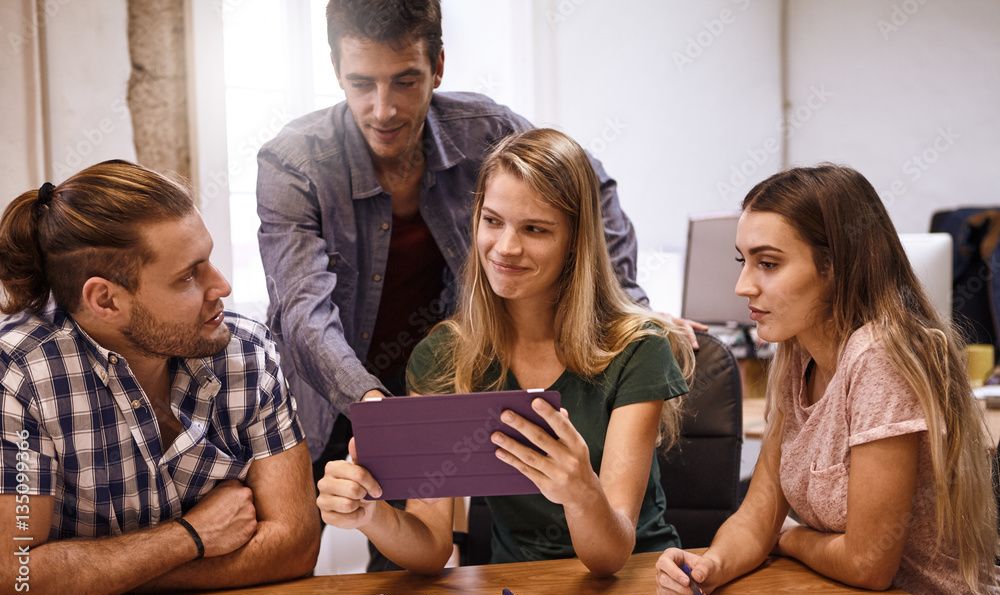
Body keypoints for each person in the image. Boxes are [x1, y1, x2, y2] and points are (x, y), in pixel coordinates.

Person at [256, 0, 704, 492]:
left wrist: (627, 310)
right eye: (363, 83)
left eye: (405, 81)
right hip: (329, 393)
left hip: (448, 380)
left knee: (412, 557)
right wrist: (372, 404)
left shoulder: (486, 130)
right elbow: (301, 310)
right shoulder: (293, 162)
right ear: (337, 71)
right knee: (300, 547)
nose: (383, 109)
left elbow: (587, 191)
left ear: (438, 68)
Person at [316, 128, 694, 577]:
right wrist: (371, 516)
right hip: (516, 593)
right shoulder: (444, 355)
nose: (506, 247)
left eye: (535, 229)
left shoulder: (637, 348)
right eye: (493, 221)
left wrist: (580, 491)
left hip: (634, 582)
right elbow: (432, 545)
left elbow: (610, 556)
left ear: (576, 241)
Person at [655, 165, 1000, 595]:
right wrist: (709, 567)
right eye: (744, 261)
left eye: (769, 263)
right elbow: (758, 515)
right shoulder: (797, 350)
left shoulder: (879, 357)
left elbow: (866, 564)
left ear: (835, 266)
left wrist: (790, 538)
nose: (743, 286)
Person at [0, 161, 320, 595]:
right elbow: (12, 587)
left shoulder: (247, 351)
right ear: (105, 300)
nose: (221, 286)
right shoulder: (18, 373)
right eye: (189, 276)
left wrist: (99, 576)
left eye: (208, 259)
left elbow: (295, 546)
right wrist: (188, 537)